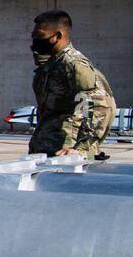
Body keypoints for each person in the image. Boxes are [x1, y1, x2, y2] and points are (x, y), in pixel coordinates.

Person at [29, 10, 115, 159]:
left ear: (58, 36)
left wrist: (83, 148)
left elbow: (100, 105)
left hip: (67, 153)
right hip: (46, 149)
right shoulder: (50, 65)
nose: (36, 41)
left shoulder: (74, 64)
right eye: (34, 36)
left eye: (41, 36)